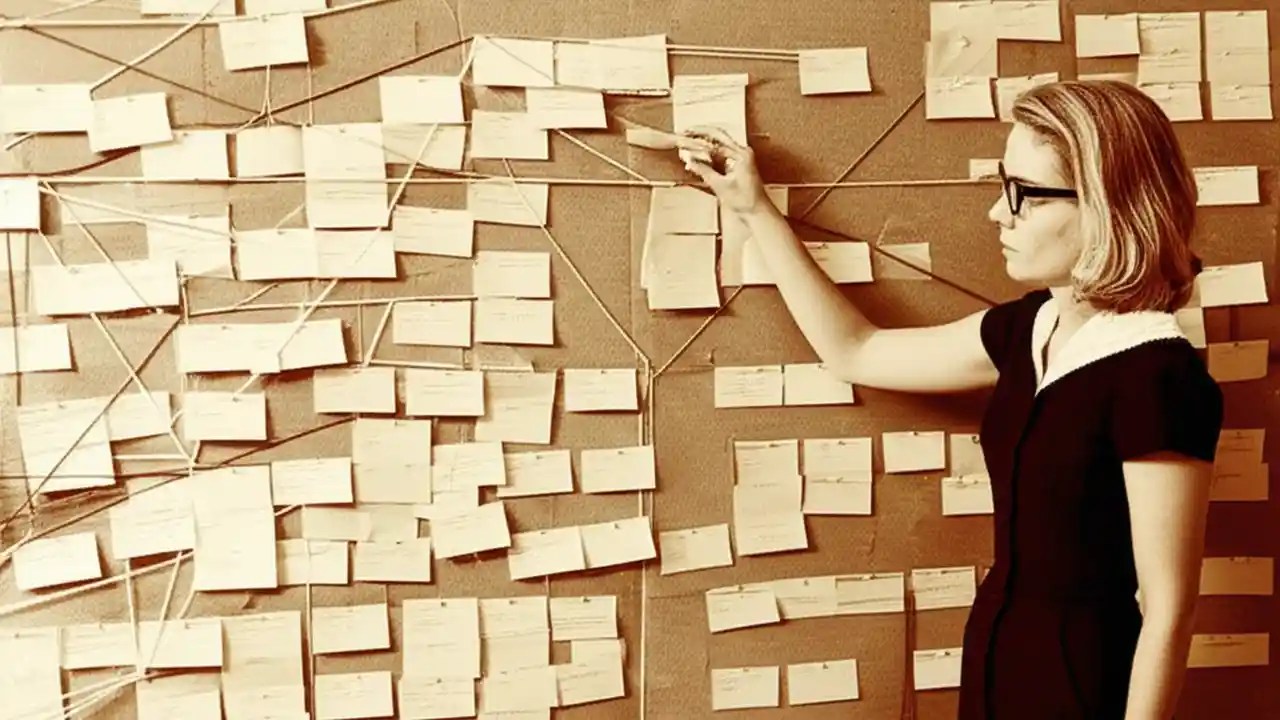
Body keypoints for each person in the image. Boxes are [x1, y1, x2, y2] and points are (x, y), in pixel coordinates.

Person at [679, 79, 1224, 720]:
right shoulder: (1027, 328)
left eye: (1024, 194)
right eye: (1002, 186)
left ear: (1108, 206)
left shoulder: (1158, 374)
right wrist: (755, 211)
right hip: (996, 660)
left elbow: (1168, 609)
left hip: (1087, 685)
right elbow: (856, 351)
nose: (999, 212)